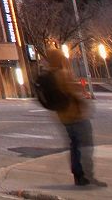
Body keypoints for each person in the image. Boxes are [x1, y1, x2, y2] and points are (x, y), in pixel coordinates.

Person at [34, 53, 98, 187]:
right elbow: (73, 93)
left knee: (74, 145)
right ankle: (85, 175)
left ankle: (78, 175)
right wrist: (85, 105)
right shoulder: (62, 74)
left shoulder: (49, 76)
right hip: (75, 114)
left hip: (62, 115)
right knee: (85, 146)